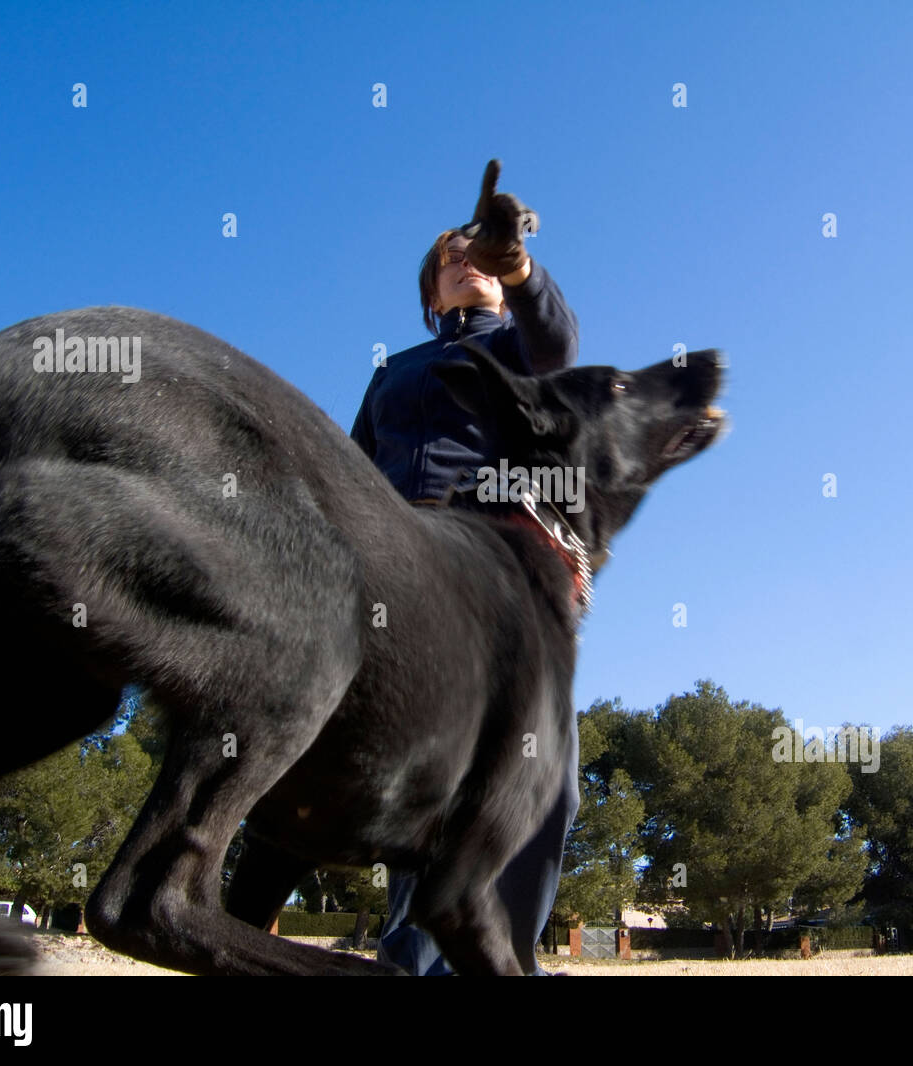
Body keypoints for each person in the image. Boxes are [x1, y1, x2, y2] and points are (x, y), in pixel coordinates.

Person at [349, 160, 580, 975]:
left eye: (478, 254)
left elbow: (556, 342)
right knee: (428, 788)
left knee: (544, 788)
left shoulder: (522, 352)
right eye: (451, 258)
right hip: (400, 577)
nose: (465, 260)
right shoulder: (392, 372)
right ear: (430, 296)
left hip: (504, 589)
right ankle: (408, 963)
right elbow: (347, 471)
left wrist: (519, 266)